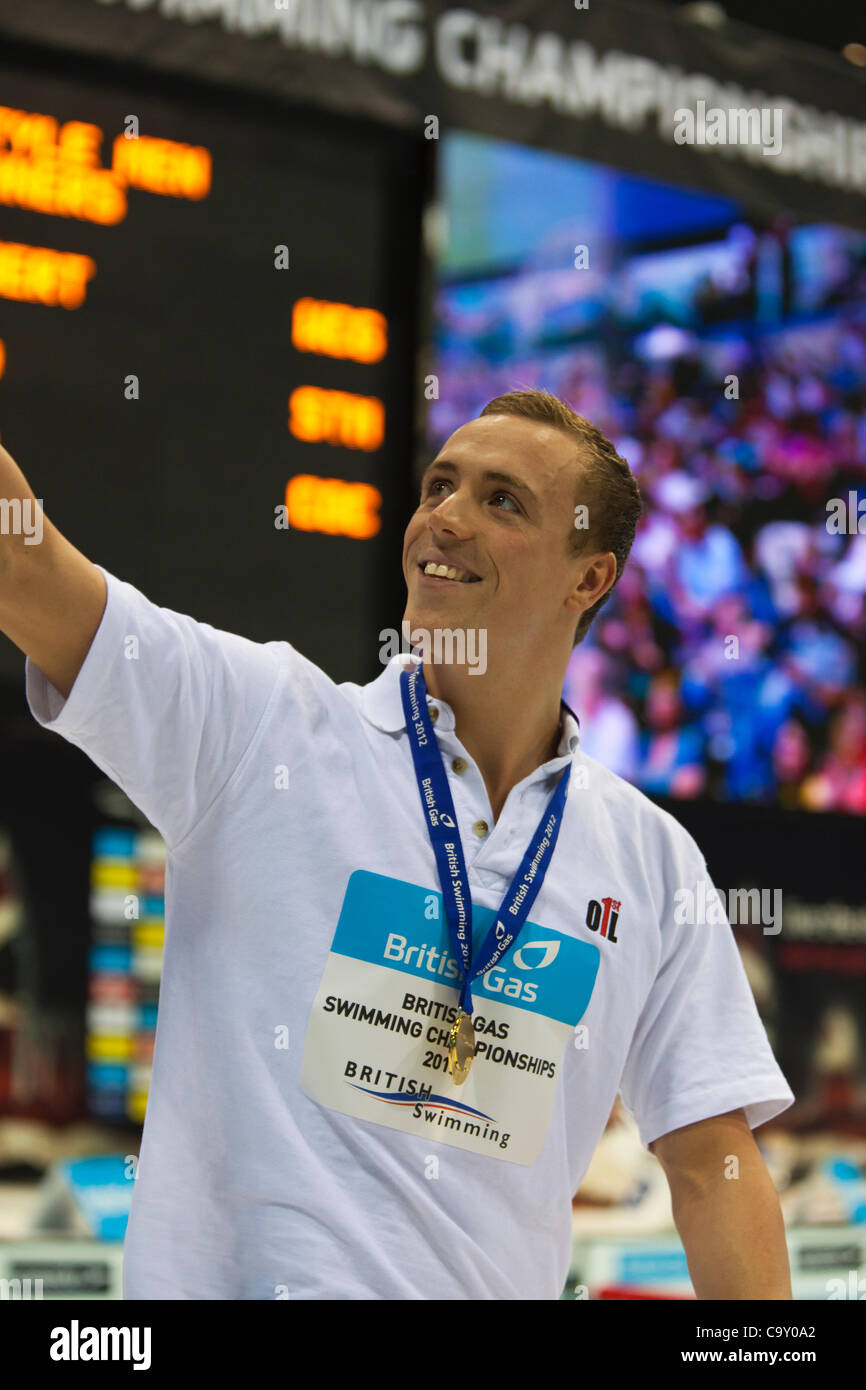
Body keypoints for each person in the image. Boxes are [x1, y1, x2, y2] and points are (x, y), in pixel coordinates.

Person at [0, 387, 794, 1300]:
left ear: (591, 579)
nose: (445, 519)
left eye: (501, 501)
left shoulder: (649, 860)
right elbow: (26, 570)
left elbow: (712, 1169)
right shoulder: (264, 727)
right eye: (437, 487)